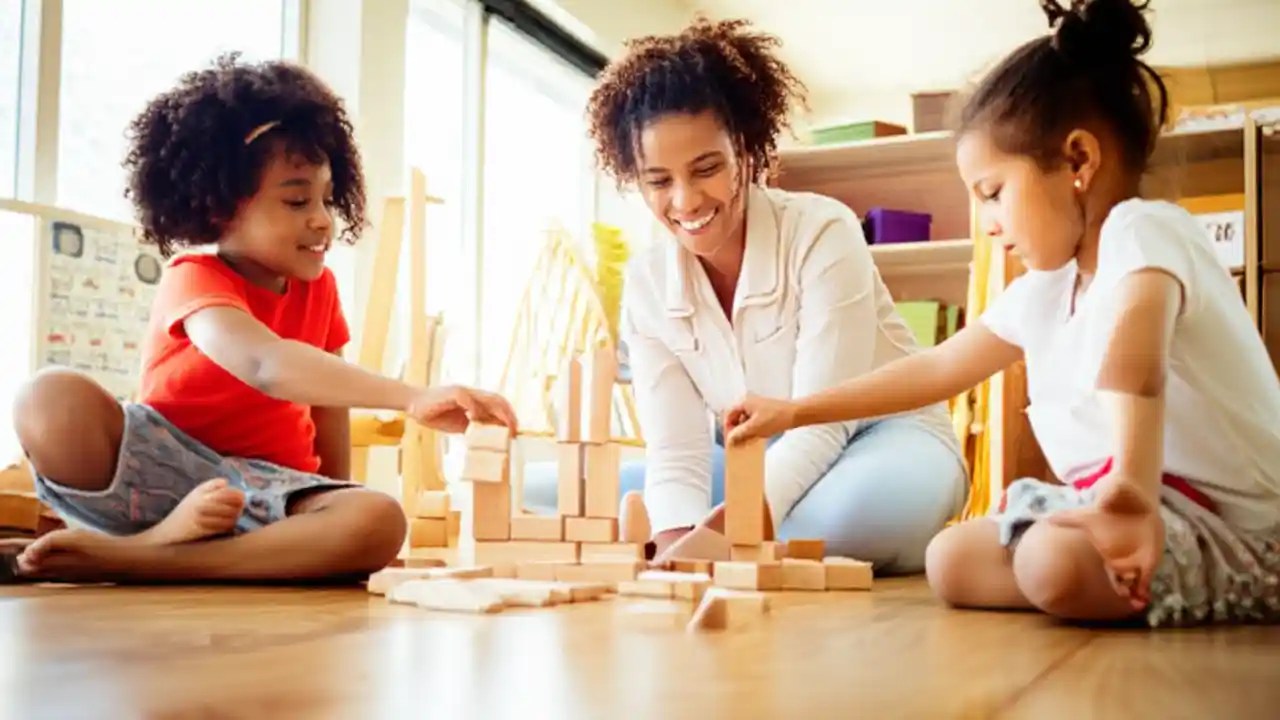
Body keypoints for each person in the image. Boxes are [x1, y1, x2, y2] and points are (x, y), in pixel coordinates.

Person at [727, 0, 1280, 627]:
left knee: (1051, 560)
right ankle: (1092, 571)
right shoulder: (1047, 288)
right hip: (1124, 506)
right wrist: (797, 411)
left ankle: (1107, 571)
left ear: (1078, 161)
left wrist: (1128, 489)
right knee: (951, 558)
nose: (988, 225)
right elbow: (935, 369)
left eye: (994, 193)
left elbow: (1136, 358)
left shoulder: (1145, 230)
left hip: (1239, 531)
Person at [7, 54, 517, 583]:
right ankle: (158, 541)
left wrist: (337, 496)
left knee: (378, 517)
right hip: (159, 474)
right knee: (47, 396)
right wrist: (411, 396)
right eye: (297, 201)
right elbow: (265, 363)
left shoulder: (320, 289)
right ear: (218, 210)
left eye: (326, 198)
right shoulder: (196, 277)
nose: (322, 219)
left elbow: (328, 407)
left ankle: (150, 558)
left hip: (268, 492)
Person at [523, 18, 967, 570]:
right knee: (544, 490)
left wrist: (725, 533)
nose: (685, 200)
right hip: (756, 461)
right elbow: (678, 449)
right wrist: (674, 541)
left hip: (885, 438)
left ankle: (770, 534)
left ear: (746, 151)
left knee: (844, 524)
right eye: (658, 181)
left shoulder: (822, 231)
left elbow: (822, 424)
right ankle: (759, 537)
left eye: (706, 168)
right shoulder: (647, 283)